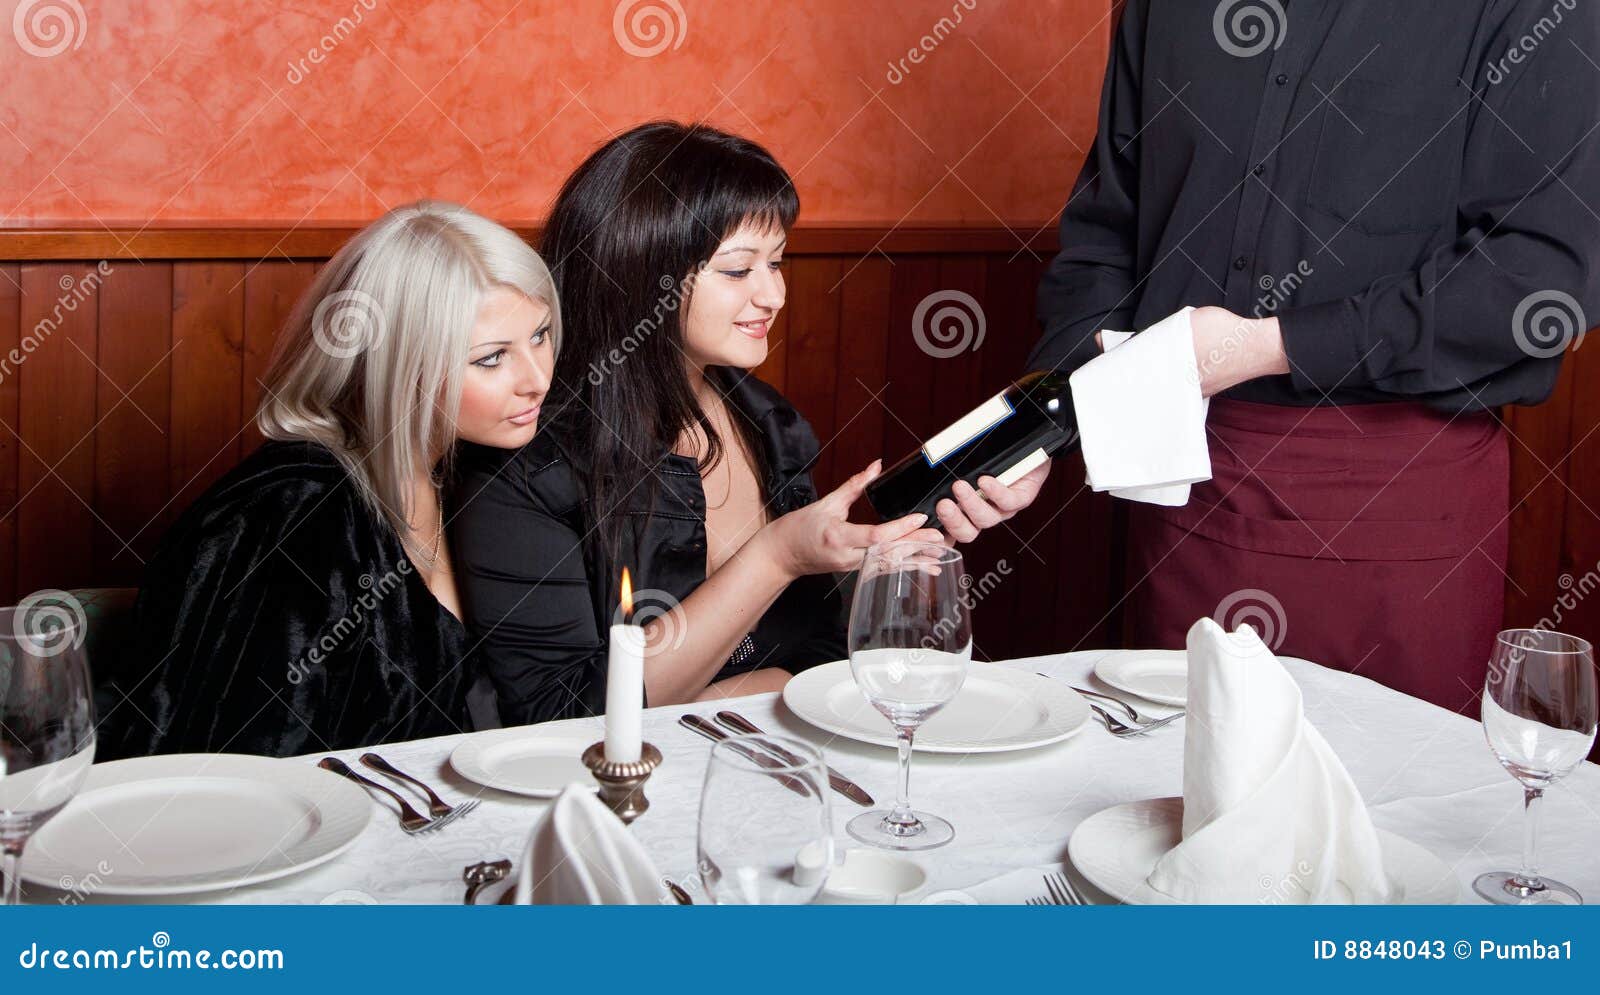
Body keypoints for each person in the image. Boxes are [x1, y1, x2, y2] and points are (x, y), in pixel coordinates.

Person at [1032, 0, 1600, 712]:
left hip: (1399, 510)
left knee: (1390, 810)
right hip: (1186, 497)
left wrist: (1269, 347)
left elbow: (1541, 276)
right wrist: (1050, 423)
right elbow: (1106, 237)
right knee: (1176, 800)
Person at [448, 122, 964, 725]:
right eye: (739, 271)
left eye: (778, 263)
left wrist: (896, 556)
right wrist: (776, 558)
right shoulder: (528, 460)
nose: (774, 295)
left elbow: (816, 652)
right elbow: (567, 716)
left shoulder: (768, 422)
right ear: (642, 275)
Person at [102, 201, 560, 757]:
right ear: (399, 363)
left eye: (540, 336)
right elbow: (249, 765)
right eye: (491, 359)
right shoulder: (295, 516)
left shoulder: (471, 477)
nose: (537, 379)